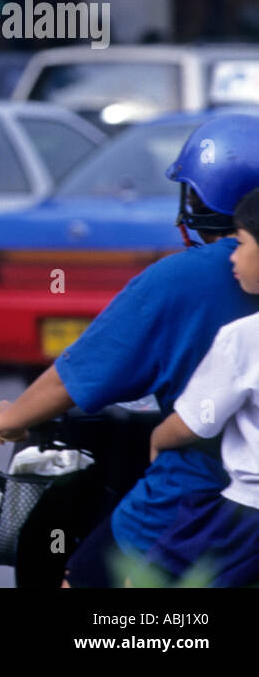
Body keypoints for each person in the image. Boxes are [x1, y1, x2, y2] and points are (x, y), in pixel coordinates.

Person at [0, 114, 259, 587]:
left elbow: (73, 377)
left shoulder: (179, 279)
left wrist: (7, 420)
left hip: (197, 503)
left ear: (198, 201)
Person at [144, 187, 259, 586]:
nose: (231, 255)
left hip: (245, 517)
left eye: (241, 243)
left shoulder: (244, 338)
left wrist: (159, 439)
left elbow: (194, 423)